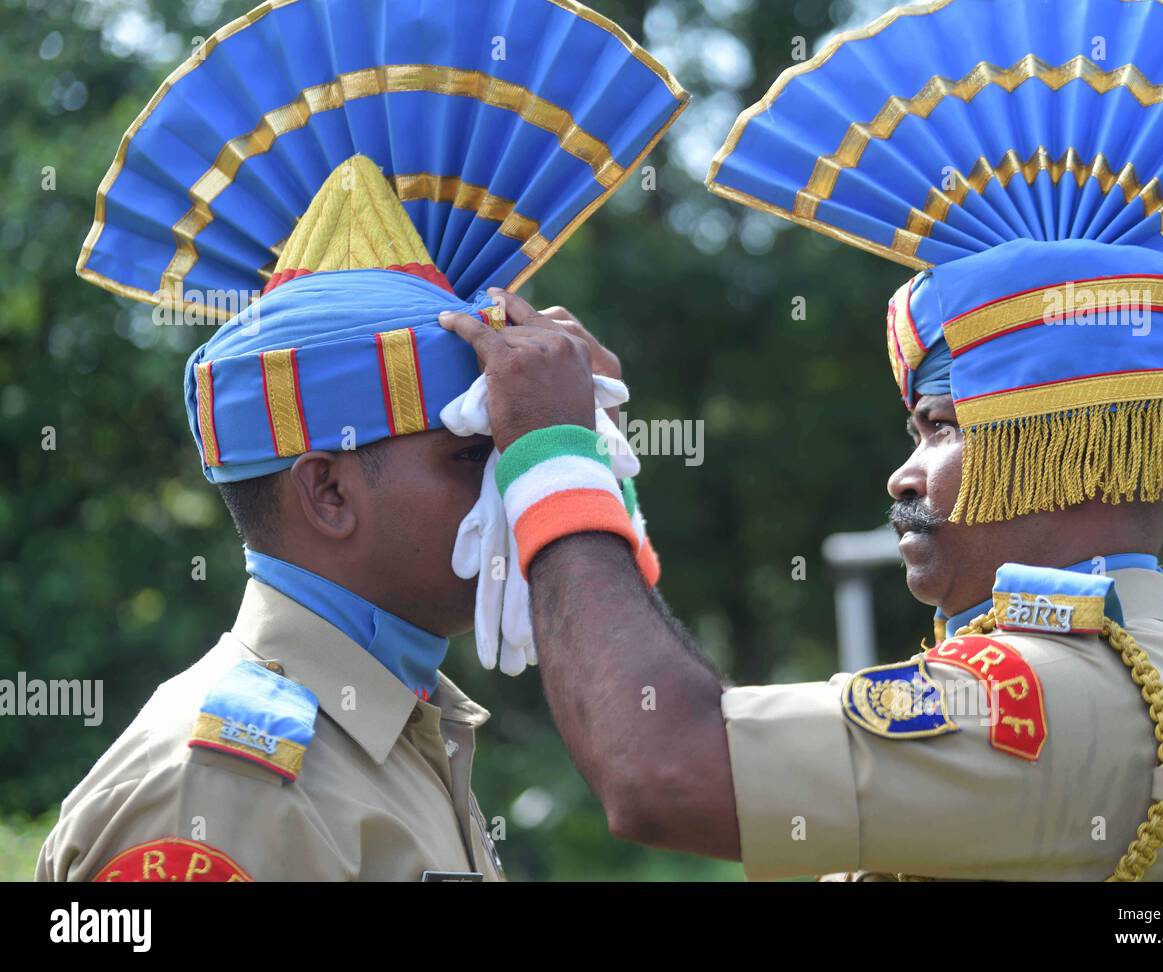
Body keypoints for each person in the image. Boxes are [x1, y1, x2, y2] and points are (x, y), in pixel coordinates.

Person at [436, 0, 1163, 880]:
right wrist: (599, 469)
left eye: (940, 430)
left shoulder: (1052, 694)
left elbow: (664, 768)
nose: (903, 477)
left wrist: (553, 453)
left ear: (1062, 443)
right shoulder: (1132, 673)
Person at [36, 0, 685, 881]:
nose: (511, 485)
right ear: (329, 492)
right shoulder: (224, 786)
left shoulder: (401, 729)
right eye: (472, 455)